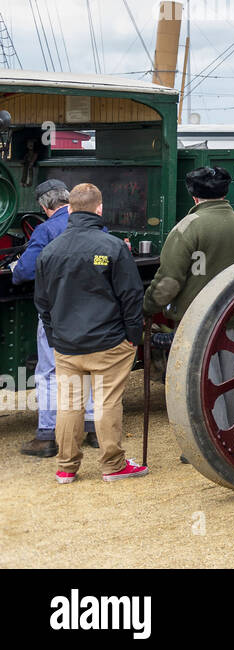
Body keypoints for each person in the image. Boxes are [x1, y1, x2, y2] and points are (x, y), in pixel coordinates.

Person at [34, 183, 147, 484]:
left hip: (67, 344)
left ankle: (65, 467)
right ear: (100, 209)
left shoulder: (50, 250)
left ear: (69, 209)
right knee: (108, 401)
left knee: (69, 404)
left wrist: (54, 335)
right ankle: (113, 465)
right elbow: (132, 296)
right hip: (109, 341)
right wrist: (132, 336)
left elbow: (42, 302)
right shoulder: (112, 247)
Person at [144, 167, 234, 438]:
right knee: (231, 382)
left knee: (201, 384)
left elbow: (169, 281)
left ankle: (209, 441)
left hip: (195, 321)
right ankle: (229, 436)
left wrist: (147, 306)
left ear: (194, 196)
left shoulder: (187, 228)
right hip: (231, 318)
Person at [11, 179, 96, 456]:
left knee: (48, 372)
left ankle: (47, 436)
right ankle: (94, 428)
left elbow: (24, 272)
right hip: (93, 311)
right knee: (90, 367)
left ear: (44, 206)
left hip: (57, 312)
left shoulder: (46, 230)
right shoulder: (98, 226)